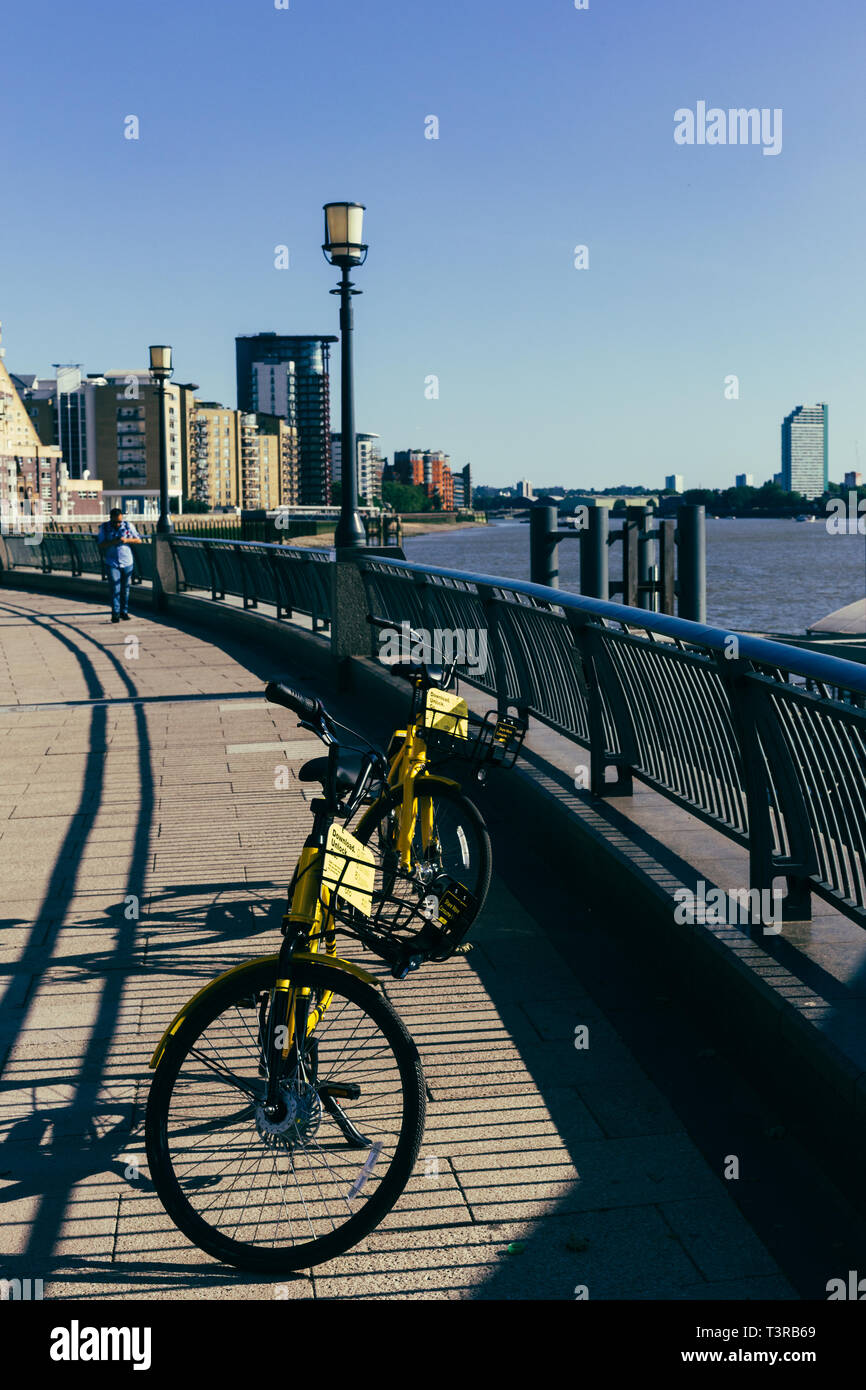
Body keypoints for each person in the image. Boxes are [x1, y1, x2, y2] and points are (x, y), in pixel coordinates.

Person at [97, 508, 143, 622]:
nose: (118, 524)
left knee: (125, 588)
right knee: (114, 587)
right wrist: (113, 542)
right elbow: (100, 544)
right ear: (110, 518)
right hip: (112, 562)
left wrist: (126, 540)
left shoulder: (128, 526)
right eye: (115, 522)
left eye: (119, 521)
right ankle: (115, 613)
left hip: (127, 561)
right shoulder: (104, 527)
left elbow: (139, 540)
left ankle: (124, 611)